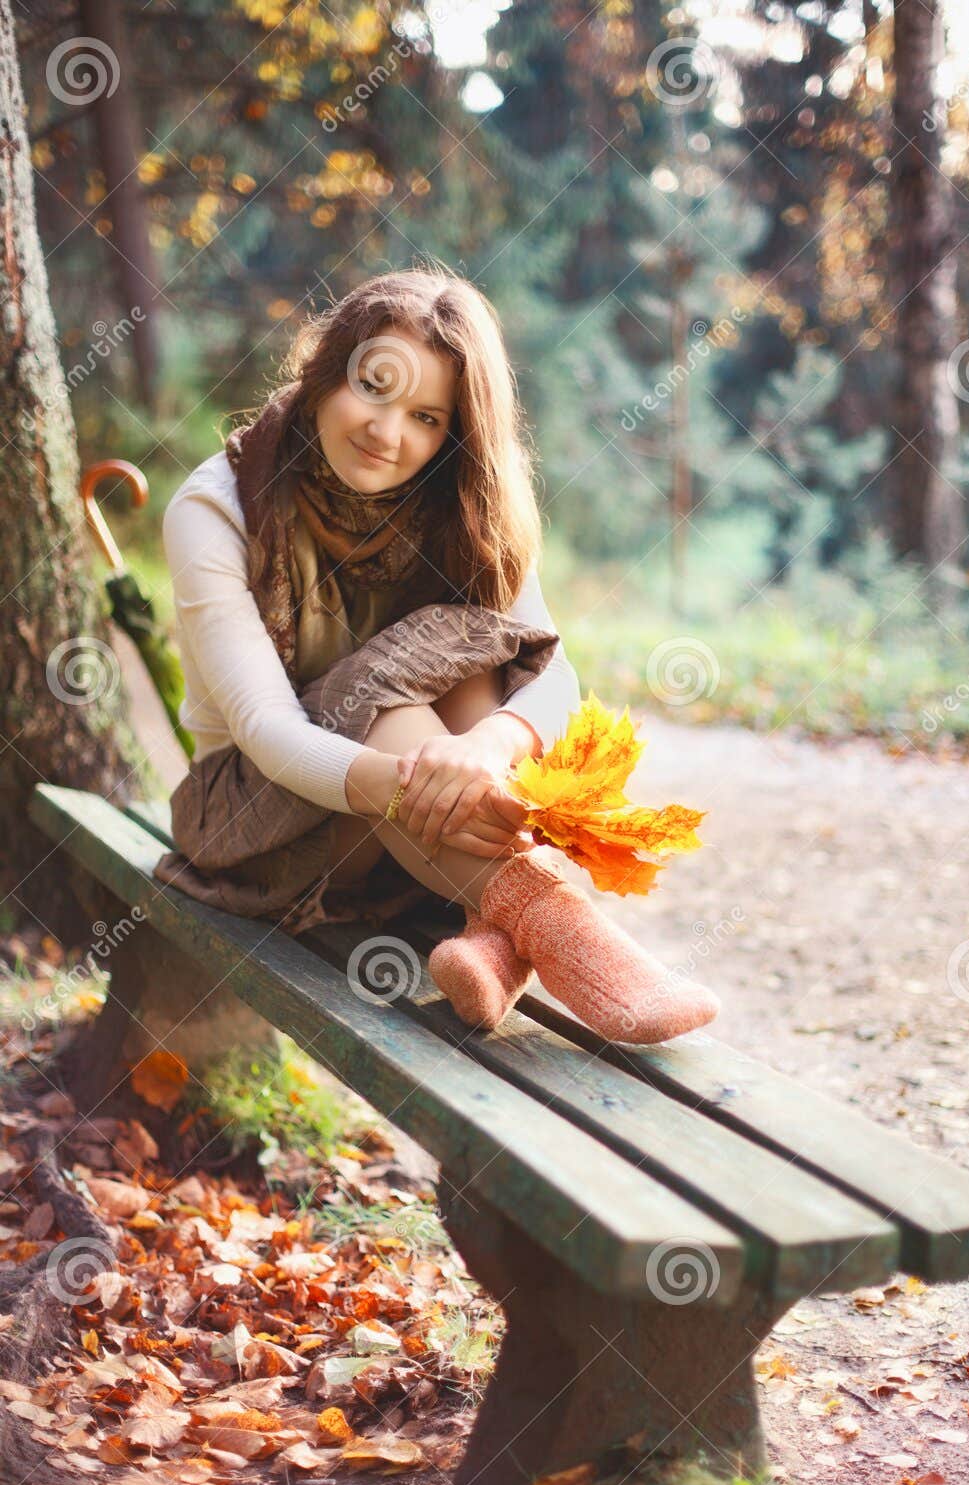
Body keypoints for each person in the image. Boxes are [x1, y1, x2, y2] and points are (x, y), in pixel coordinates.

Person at [153, 265, 719, 1044]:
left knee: (472, 641)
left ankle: (493, 940)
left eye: (424, 416)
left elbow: (553, 677)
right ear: (325, 370)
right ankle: (570, 935)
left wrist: (484, 750)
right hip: (258, 825)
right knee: (386, 685)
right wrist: (406, 784)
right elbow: (262, 727)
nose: (388, 433)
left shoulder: (458, 500)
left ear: (452, 431)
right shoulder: (218, 505)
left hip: (420, 845)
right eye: (372, 387)